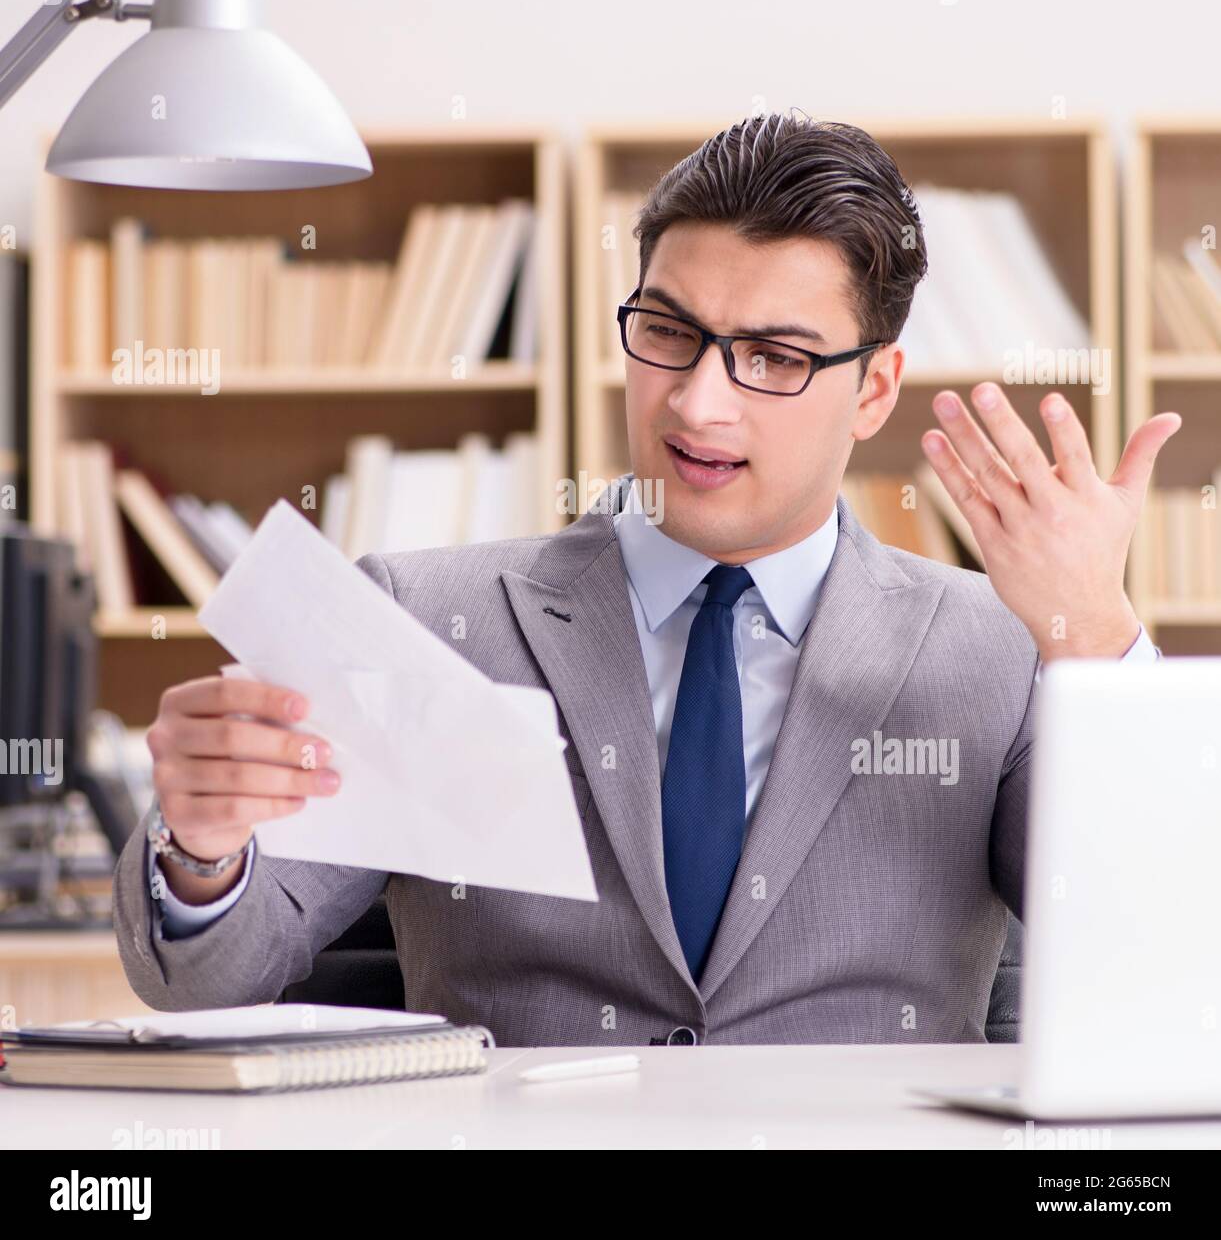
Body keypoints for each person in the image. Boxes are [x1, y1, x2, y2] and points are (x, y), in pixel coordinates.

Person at [112, 112, 1175, 1046]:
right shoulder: (425, 616)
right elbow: (209, 974)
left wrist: (1100, 643)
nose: (698, 405)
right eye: (669, 333)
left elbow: (1161, 953)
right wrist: (201, 845)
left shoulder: (1000, 651)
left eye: (773, 355)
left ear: (874, 389)